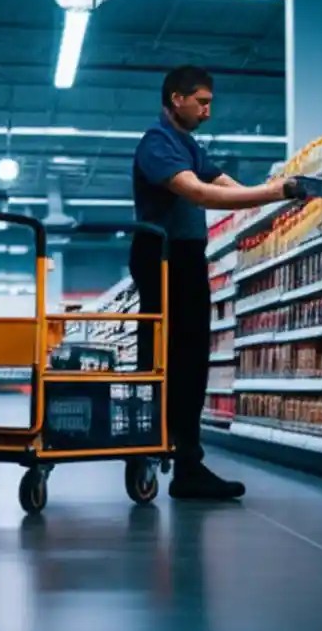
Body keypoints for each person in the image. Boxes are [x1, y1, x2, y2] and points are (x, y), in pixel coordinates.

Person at [130, 65, 306, 500]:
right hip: (163, 258)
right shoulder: (158, 143)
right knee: (167, 360)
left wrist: (269, 195)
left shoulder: (186, 143)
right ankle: (155, 449)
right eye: (202, 102)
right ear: (177, 99)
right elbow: (202, 195)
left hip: (185, 258)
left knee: (190, 363)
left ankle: (184, 459)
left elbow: (221, 181)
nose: (209, 111)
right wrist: (275, 193)